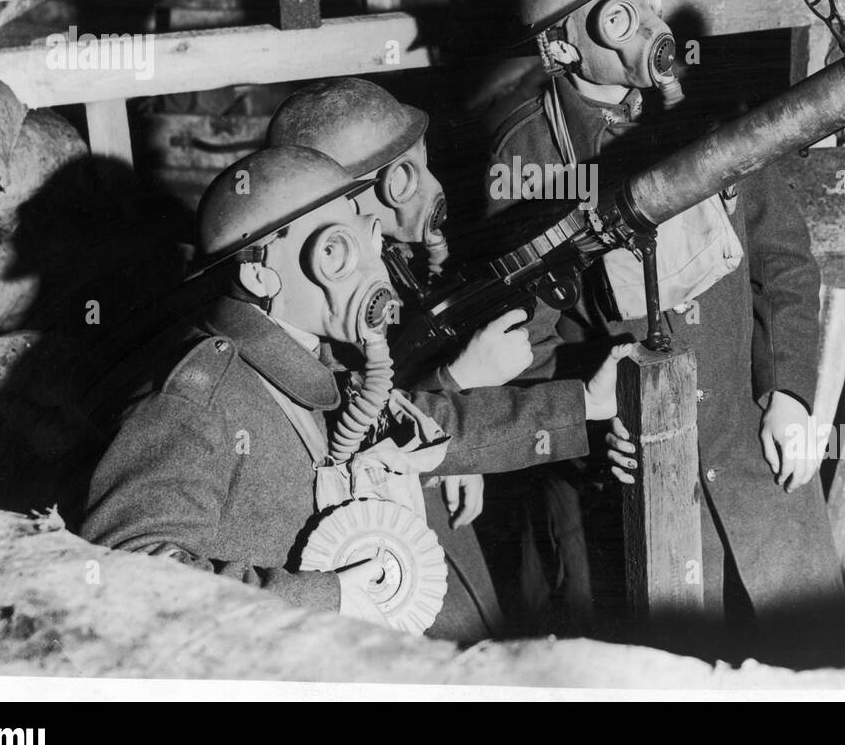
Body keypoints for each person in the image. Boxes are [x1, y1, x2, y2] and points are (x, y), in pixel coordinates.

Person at [82, 144, 632, 633]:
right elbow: (128, 573)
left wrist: (585, 403)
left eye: (367, 238)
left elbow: (430, 427)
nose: (372, 268)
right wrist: (327, 597)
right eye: (336, 251)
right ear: (258, 276)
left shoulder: (306, 358)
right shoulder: (195, 397)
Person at [486, 0, 845, 661]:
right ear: (560, 49)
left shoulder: (704, 107)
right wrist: (590, 432)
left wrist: (792, 393)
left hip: (753, 454)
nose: (646, 25)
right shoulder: (530, 157)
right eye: (612, 19)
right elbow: (516, 342)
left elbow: (783, 261)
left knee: (814, 666)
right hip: (630, 498)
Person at [267, 77, 636, 641]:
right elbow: (347, 409)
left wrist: (467, 451)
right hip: (371, 538)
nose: (424, 187)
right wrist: (463, 377)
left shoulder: (396, 261)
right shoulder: (322, 291)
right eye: (402, 175)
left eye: (421, 161)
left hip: (431, 489)